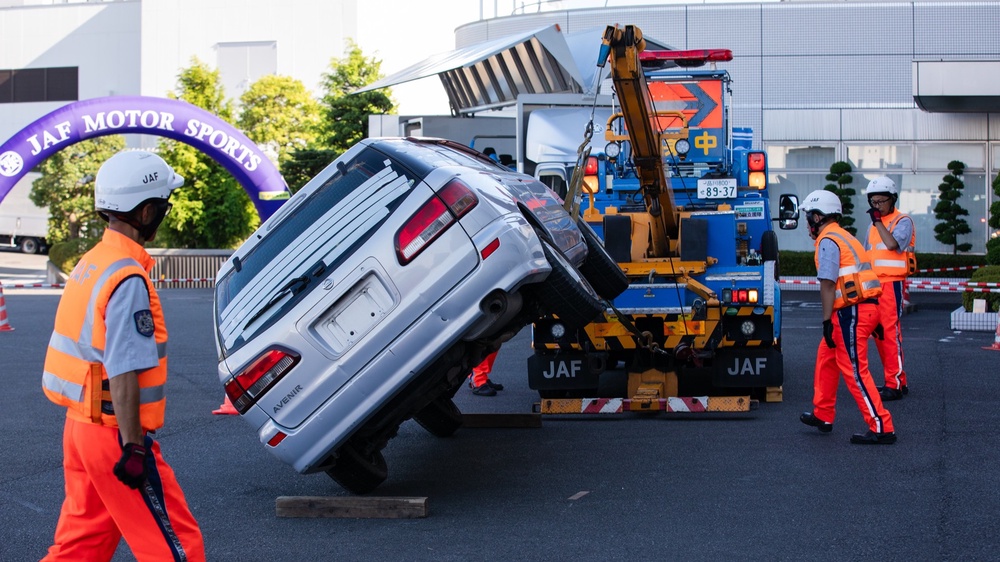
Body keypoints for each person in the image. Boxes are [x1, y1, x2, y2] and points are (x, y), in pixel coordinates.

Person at [41, 151, 206, 561]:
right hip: (115, 435)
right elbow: (123, 368)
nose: (163, 214)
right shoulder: (126, 276)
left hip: (80, 429)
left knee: (81, 547)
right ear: (146, 212)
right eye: (162, 206)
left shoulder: (93, 263)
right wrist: (134, 447)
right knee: (177, 548)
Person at [797, 189, 897, 445]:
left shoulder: (828, 240)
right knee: (826, 358)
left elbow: (828, 284)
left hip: (850, 313)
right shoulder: (844, 236)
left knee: (855, 371)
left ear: (818, 217)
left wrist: (826, 321)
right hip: (862, 309)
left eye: (809, 217)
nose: (807, 224)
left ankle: (882, 427)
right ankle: (823, 414)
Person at [864, 176, 915, 401]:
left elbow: (893, 244)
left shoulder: (902, 221)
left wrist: (877, 222)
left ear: (892, 199)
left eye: (880, 201)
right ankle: (896, 379)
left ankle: (893, 383)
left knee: (890, 333)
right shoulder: (873, 226)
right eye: (873, 202)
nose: (876, 206)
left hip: (892, 284)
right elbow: (867, 255)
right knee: (880, 335)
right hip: (873, 285)